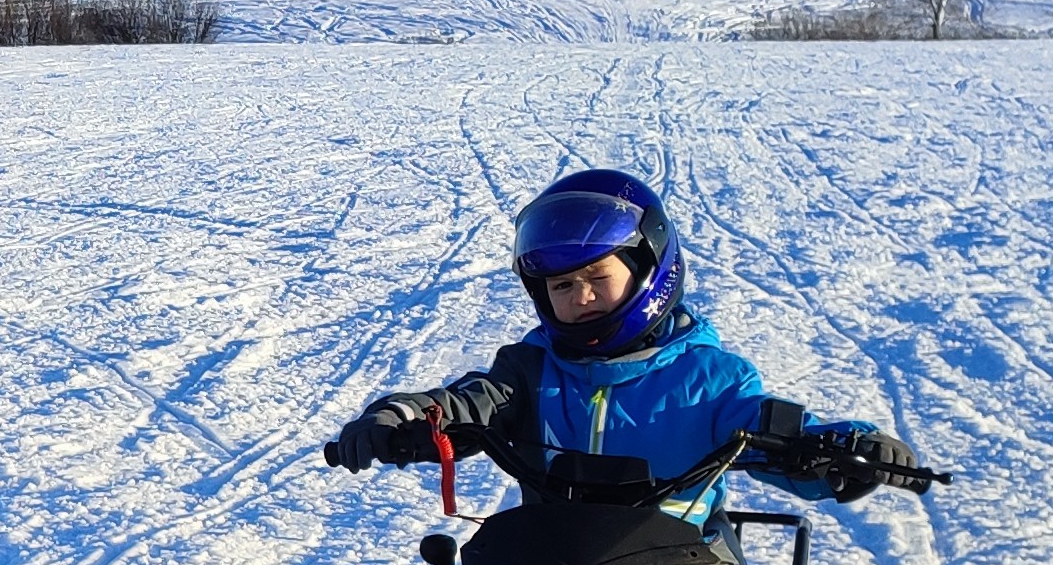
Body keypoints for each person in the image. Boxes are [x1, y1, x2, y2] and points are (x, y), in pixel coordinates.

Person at [323, 167, 915, 519]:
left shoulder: (712, 381)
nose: (579, 298)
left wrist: (841, 451)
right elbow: (466, 403)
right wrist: (397, 420)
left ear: (648, 269)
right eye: (561, 285)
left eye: (596, 279)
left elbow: (770, 430)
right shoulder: (531, 370)